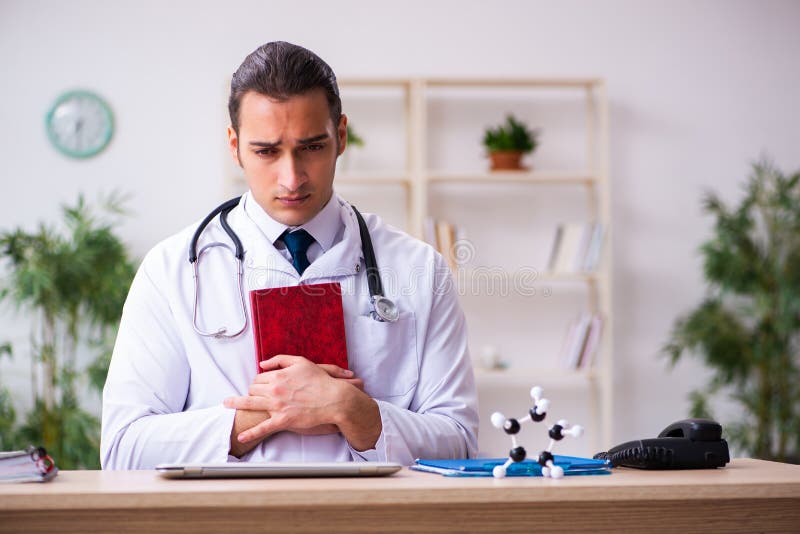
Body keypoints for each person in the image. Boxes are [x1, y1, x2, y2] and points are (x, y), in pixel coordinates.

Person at [100, 41, 478, 469]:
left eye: (312, 147)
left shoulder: (419, 269)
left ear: (342, 136)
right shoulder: (171, 271)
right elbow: (123, 450)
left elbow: (460, 445)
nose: (291, 177)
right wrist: (271, 411)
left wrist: (354, 411)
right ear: (234, 145)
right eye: (266, 151)